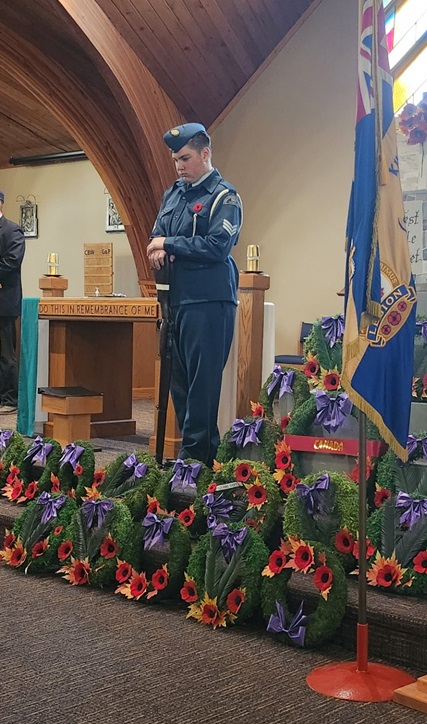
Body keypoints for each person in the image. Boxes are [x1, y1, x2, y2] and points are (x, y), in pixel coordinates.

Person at [145, 123, 243, 466]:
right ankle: (197, 458)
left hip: (209, 301)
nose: (179, 166)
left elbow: (217, 246)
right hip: (176, 300)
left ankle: (194, 461)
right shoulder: (173, 194)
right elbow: (157, 234)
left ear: (205, 153)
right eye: (175, 160)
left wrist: (168, 245)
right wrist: (159, 246)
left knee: (203, 386)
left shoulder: (224, 196)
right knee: (180, 384)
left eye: (185, 158)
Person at [0, 183, 25, 414]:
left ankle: (10, 399)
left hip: (5, 301)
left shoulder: (12, 230)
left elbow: (12, 261)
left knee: (5, 354)